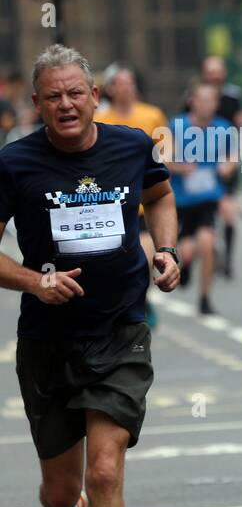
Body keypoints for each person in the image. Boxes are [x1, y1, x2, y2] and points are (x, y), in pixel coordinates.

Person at [0, 44, 180, 507]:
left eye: (76, 92)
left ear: (95, 96)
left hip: (120, 330)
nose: (66, 104)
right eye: (53, 96)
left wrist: (167, 251)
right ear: (37, 105)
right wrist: (35, 281)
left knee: (105, 470)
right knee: (61, 488)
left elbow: (158, 196)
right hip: (48, 341)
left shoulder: (132, 146)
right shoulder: (16, 163)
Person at [95, 64, 170, 328]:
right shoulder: (101, 118)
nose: (126, 88)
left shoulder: (152, 115)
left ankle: (143, 300)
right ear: (111, 89)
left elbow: (165, 153)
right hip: (111, 205)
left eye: (130, 83)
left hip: (142, 204)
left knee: (147, 253)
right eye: (120, 83)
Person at [169, 83, 237, 315]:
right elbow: (162, 157)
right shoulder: (177, 126)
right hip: (183, 200)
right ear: (192, 101)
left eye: (210, 100)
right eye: (201, 99)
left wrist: (229, 165)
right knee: (187, 249)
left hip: (209, 197)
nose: (205, 104)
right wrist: (179, 167)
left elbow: (234, 154)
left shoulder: (224, 128)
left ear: (216, 104)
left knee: (207, 243)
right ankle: (185, 263)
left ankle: (205, 297)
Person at [195, 56, 242, 279]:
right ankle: (206, 248)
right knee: (205, 209)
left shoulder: (234, 96)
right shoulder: (193, 97)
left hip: (225, 157)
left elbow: (240, 123)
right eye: (210, 71)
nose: (215, 75)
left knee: (229, 212)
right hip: (199, 162)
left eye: (218, 71)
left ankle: (228, 260)